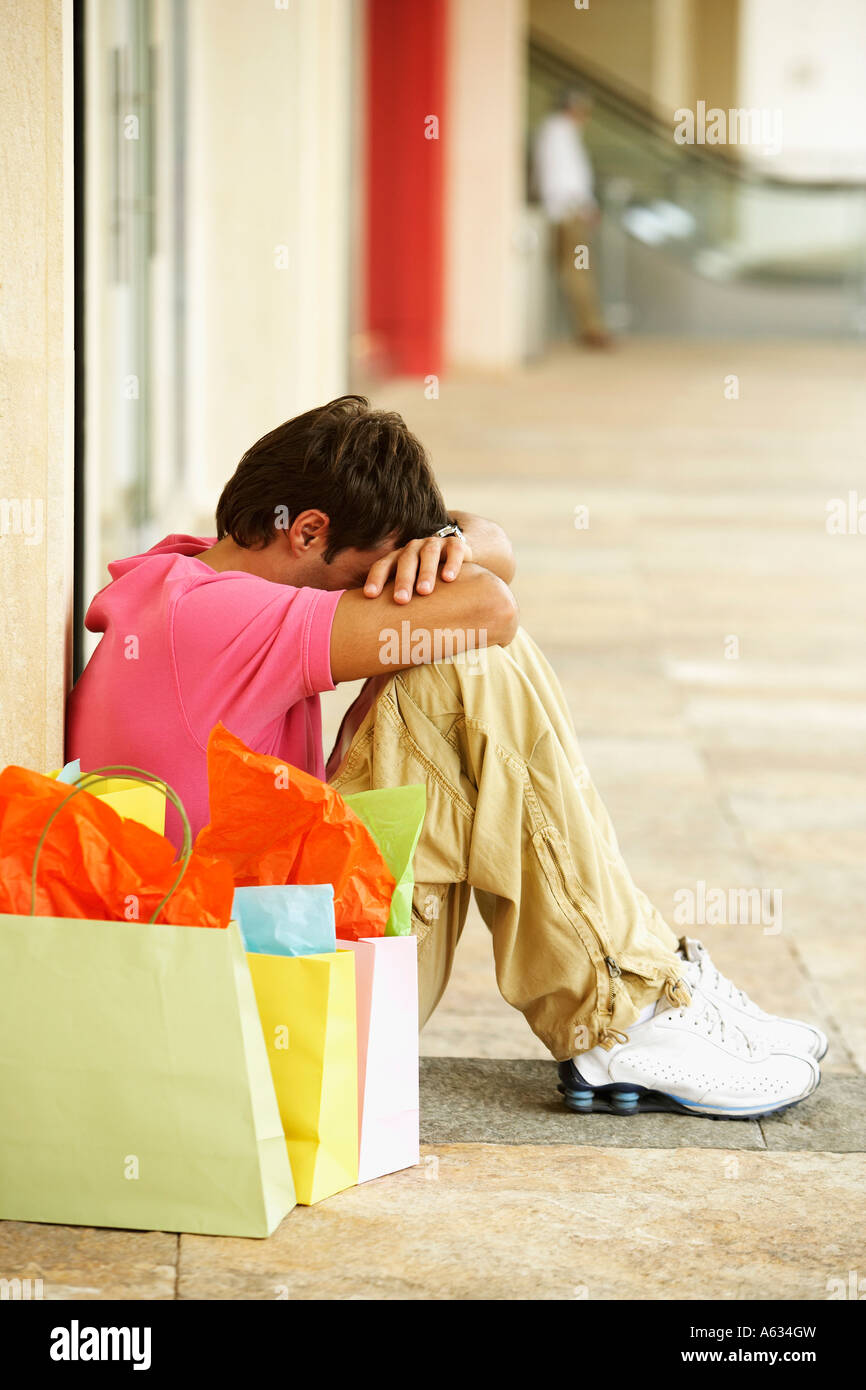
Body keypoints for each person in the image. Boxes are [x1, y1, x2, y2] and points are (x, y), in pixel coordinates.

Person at [67, 397, 825, 1118]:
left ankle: (650, 985)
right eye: (374, 576)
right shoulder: (213, 618)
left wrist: (449, 544)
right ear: (306, 532)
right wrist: (454, 566)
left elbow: (493, 557)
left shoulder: (194, 573)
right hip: (264, 1007)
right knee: (459, 666)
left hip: (286, 956)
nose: (385, 592)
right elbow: (491, 607)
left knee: (454, 658)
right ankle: (621, 1015)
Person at [533, 87, 610, 348]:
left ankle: (586, 328)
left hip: (564, 210)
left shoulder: (557, 132)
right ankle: (591, 329)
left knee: (568, 269)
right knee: (578, 270)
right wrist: (585, 206)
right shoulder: (559, 133)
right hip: (569, 211)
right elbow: (566, 179)